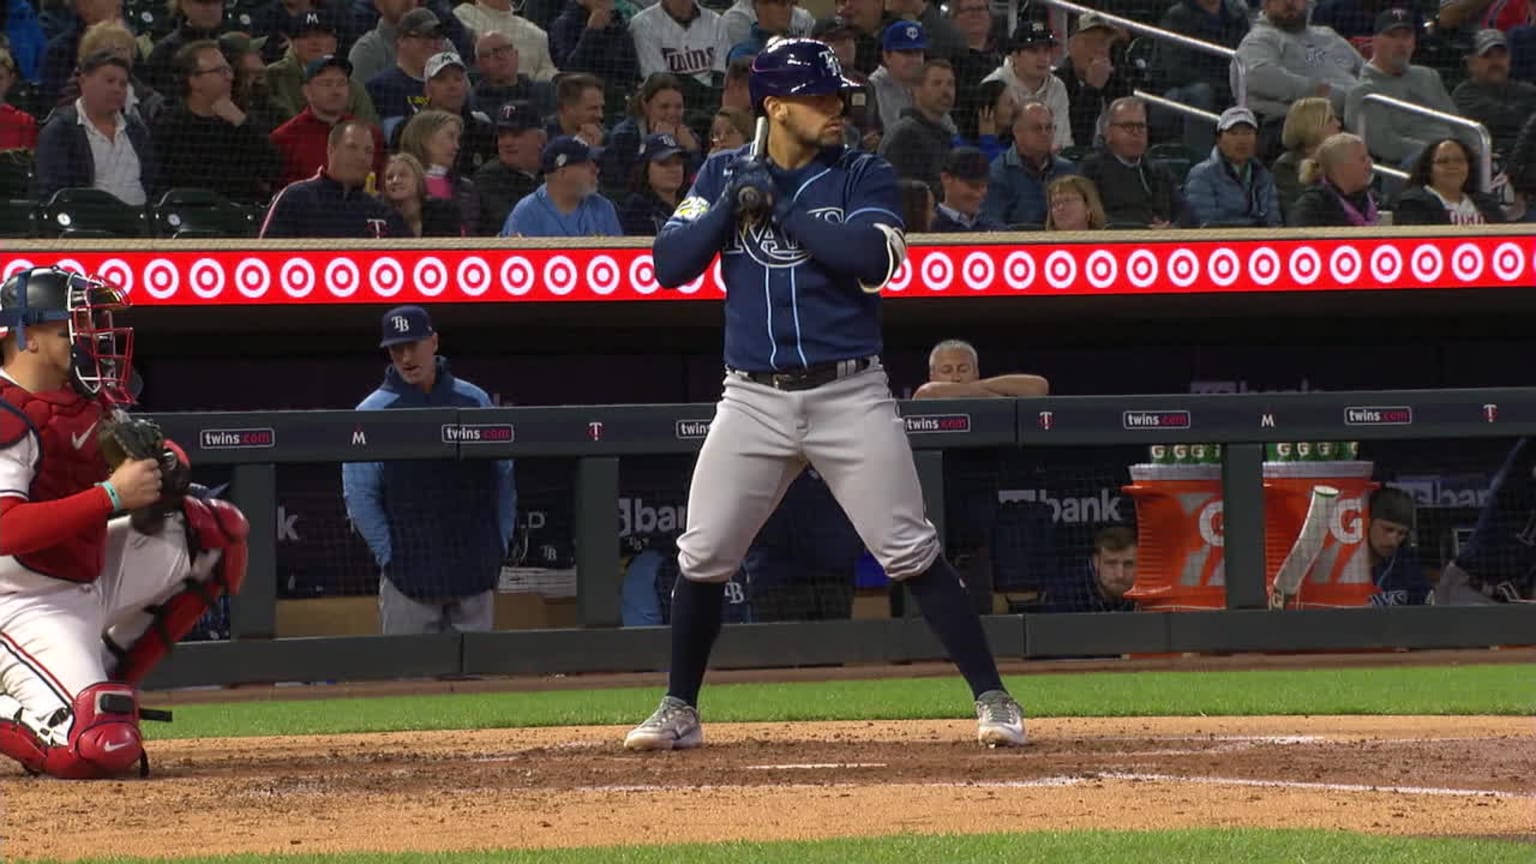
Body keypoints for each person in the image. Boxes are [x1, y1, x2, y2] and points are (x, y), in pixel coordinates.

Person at [623, 38, 1026, 752]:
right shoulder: (721, 171)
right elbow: (668, 265)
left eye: (838, 96)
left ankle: (994, 698)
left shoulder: (863, 172)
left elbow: (869, 258)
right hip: (752, 397)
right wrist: (728, 207)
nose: (836, 107)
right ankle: (679, 708)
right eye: (818, 98)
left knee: (909, 549)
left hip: (848, 391)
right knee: (704, 553)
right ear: (776, 107)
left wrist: (779, 205)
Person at [0, 266, 248, 779]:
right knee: (96, 747)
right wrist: (111, 495)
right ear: (27, 336)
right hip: (21, 601)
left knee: (216, 532)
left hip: (88, 575)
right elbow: (5, 530)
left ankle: (108, 687)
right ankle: (81, 711)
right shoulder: (7, 412)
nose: (87, 337)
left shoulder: (86, 397)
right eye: (70, 326)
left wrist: (168, 464)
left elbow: (148, 447)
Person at [342, 305, 516, 636]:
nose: (406, 357)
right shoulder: (373, 412)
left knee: (476, 670)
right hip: (409, 581)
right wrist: (393, 558)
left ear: (433, 342)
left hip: (474, 573)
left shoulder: (473, 400)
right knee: (410, 670)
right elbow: (361, 497)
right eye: (397, 349)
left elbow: (503, 478)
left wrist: (497, 546)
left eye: (413, 345)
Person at [260, 118, 410, 237]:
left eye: (368, 151)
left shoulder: (383, 213)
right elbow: (267, 255)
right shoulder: (295, 199)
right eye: (352, 147)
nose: (361, 157)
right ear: (331, 149)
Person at [500, 135, 622, 237]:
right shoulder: (527, 213)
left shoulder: (603, 208)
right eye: (586, 165)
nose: (596, 170)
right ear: (562, 172)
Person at [1182, 106, 1282, 227]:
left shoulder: (1264, 175)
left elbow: (1274, 221)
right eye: (1233, 133)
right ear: (1219, 139)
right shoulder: (1201, 175)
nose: (1241, 140)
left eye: (1247, 133)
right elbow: (1206, 223)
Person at [1392, 137, 1503, 224]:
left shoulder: (1487, 204)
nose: (1453, 166)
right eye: (1443, 161)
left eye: (1459, 160)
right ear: (1429, 168)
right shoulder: (1413, 204)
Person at [1271, 97, 1341, 222]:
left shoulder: (1340, 158)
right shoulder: (1286, 166)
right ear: (1312, 126)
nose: (1338, 124)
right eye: (1330, 119)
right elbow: (1298, 214)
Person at [1288, 131, 1379, 226]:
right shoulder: (1311, 208)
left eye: (1369, 157)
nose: (1370, 163)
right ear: (1340, 167)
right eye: (1363, 159)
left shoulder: (1374, 200)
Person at [1042, 525, 1138, 613]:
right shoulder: (1066, 595)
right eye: (1111, 564)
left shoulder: (1145, 595)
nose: (1120, 575)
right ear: (1095, 562)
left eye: (1129, 564)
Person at [1364, 486, 1432, 606]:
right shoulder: (1346, 566)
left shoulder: (1407, 566)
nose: (1393, 541)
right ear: (1368, 522)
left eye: (1401, 533)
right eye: (1388, 530)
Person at [913, 338, 1048, 399]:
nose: (956, 377)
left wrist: (974, 389)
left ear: (976, 372)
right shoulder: (926, 395)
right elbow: (928, 391)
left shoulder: (984, 390)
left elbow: (1039, 387)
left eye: (963, 369)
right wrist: (987, 395)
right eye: (947, 371)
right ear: (932, 375)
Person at [619, 132, 689, 235]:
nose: (674, 169)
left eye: (678, 162)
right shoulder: (636, 210)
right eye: (664, 163)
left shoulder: (693, 204)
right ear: (645, 168)